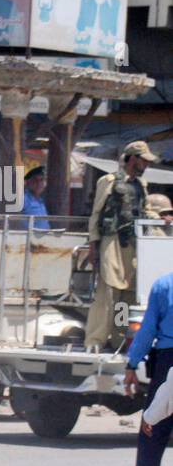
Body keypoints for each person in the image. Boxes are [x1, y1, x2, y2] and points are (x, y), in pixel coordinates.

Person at [85, 141, 164, 351]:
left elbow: (145, 210)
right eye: (143, 160)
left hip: (132, 244)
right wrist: (93, 245)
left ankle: (118, 337)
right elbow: (96, 214)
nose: (146, 165)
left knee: (126, 294)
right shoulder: (108, 181)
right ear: (133, 158)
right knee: (107, 292)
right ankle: (95, 339)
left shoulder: (141, 185)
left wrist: (161, 220)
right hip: (111, 242)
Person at [126, 270, 173, 466]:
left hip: (167, 363)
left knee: (152, 430)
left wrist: (132, 363)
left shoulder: (164, 285)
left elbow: (147, 330)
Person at [20, 164, 50, 230]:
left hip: (44, 238)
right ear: (27, 182)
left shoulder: (40, 201)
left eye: (41, 180)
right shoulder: (23, 199)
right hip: (27, 238)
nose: (39, 183)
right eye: (35, 180)